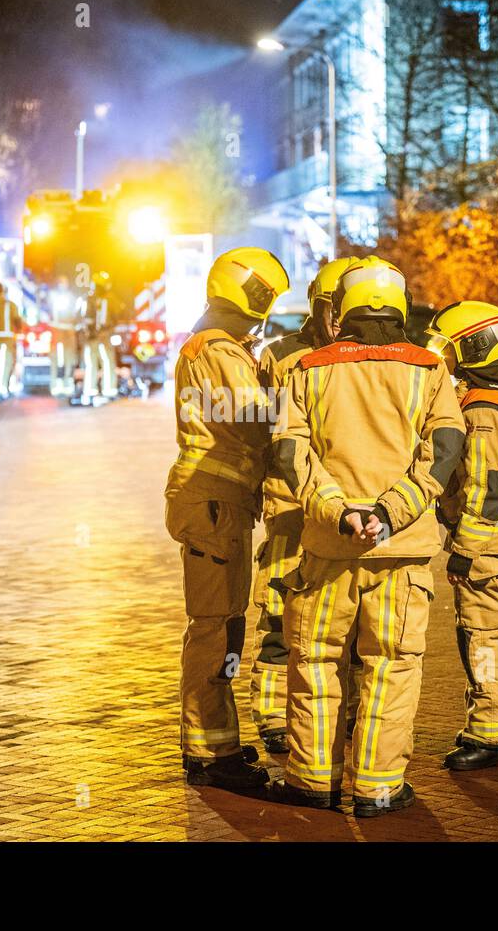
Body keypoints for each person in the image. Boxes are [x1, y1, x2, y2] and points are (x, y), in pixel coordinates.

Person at [268, 257, 467, 816]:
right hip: (401, 551)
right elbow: (445, 451)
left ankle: (312, 780)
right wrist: (389, 512)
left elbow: (290, 452)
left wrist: (339, 512)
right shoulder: (430, 369)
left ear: (345, 311)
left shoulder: (307, 367)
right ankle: (379, 786)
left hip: (330, 547)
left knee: (315, 660)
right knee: (392, 664)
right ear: (400, 308)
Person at [164, 247, 290, 791]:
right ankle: (212, 756)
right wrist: (296, 402)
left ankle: (216, 747)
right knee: (216, 630)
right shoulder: (216, 349)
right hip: (213, 503)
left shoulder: (220, 347)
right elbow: (254, 414)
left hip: (220, 504)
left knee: (224, 626)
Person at [248, 256, 358, 754]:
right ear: (314, 306)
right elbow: (262, 434)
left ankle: (344, 717)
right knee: (278, 617)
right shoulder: (280, 357)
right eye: (327, 306)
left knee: (348, 630)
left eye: (343, 306)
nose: (336, 317)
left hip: (348, 515)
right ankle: (272, 714)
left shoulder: (375, 360)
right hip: (291, 510)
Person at [425, 301, 498, 771]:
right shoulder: (492, 397)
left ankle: (491, 736)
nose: (443, 356)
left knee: (483, 638)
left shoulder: (486, 409)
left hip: (486, 546)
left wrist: (464, 552)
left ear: (473, 346)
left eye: (450, 346)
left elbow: (489, 487)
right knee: (478, 635)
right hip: (494, 543)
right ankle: (486, 726)